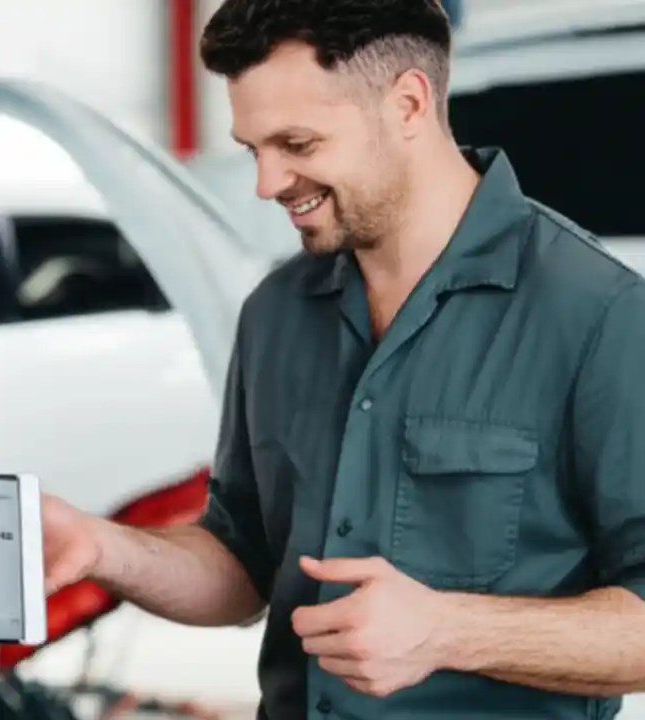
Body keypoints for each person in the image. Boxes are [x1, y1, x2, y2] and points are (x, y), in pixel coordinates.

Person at [42, 1, 645, 718]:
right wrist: (105, 548)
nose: (267, 183)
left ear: (409, 103)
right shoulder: (276, 312)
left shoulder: (600, 316)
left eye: (297, 143)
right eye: (252, 149)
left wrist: (450, 632)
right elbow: (243, 562)